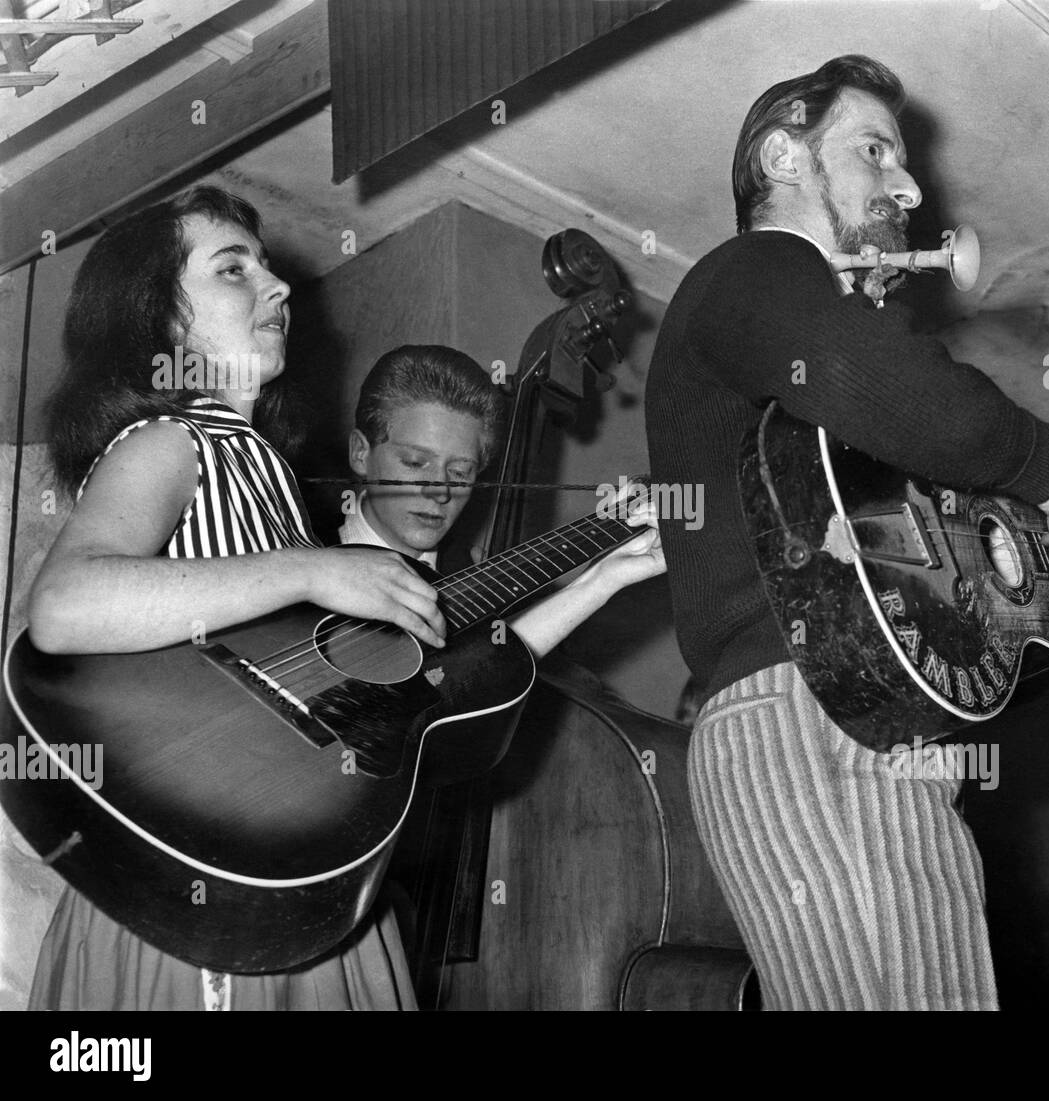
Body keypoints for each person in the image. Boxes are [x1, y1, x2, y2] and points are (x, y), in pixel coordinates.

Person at [644, 55, 1049, 1010]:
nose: (907, 186)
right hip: (801, 719)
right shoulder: (752, 271)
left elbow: (918, 642)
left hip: (865, 724)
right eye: (874, 151)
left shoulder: (835, 433)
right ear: (784, 156)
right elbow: (886, 384)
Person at [22, 187, 658, 1011]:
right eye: (232, 269)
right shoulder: (169, 440)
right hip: (201, 883)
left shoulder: (267, 475)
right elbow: (66, 604)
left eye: (267, 266)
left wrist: (605, 569)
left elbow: (435, 677)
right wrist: (312, 570)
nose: (279, 286)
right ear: (163, 322)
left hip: (290, 882)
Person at [337, 344, 664, 655]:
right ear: (360, 453)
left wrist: (606, 575)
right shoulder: (299, 561)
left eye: (461, 473)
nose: (440, 491)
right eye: (413, 463)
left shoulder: (478, 572)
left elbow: (481, 667)